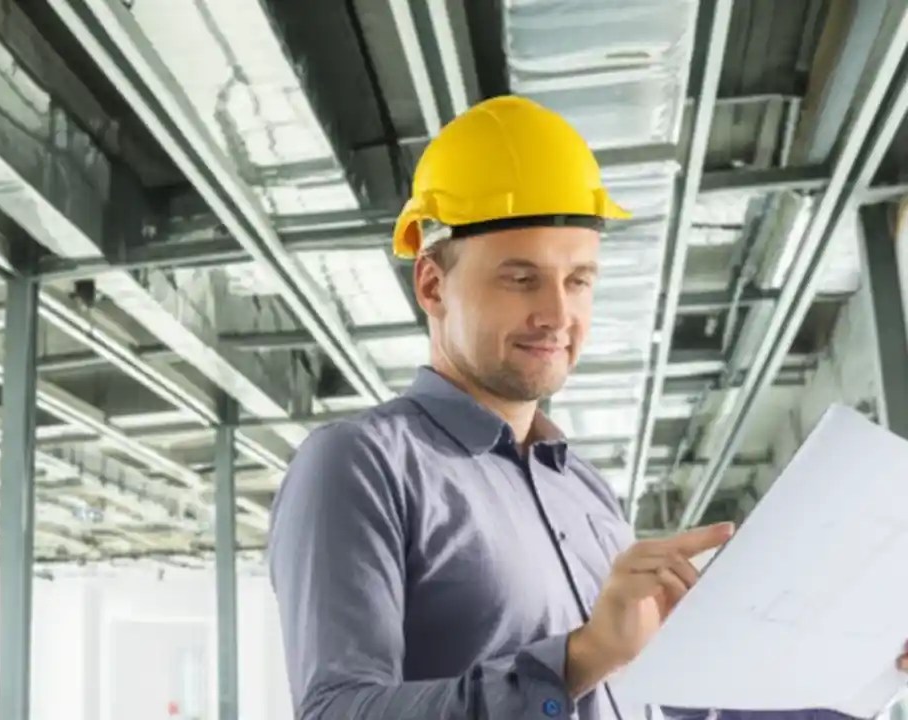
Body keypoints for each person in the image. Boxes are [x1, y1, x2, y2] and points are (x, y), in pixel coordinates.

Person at [266, 96, 908, 719]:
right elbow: (337, 711)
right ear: (433, 284)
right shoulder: (359, 464)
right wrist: (580, 656)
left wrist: (857, 670)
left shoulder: (586, 493)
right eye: (521, 279)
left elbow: (654, 701)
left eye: (578, 281)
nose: (557, 314)